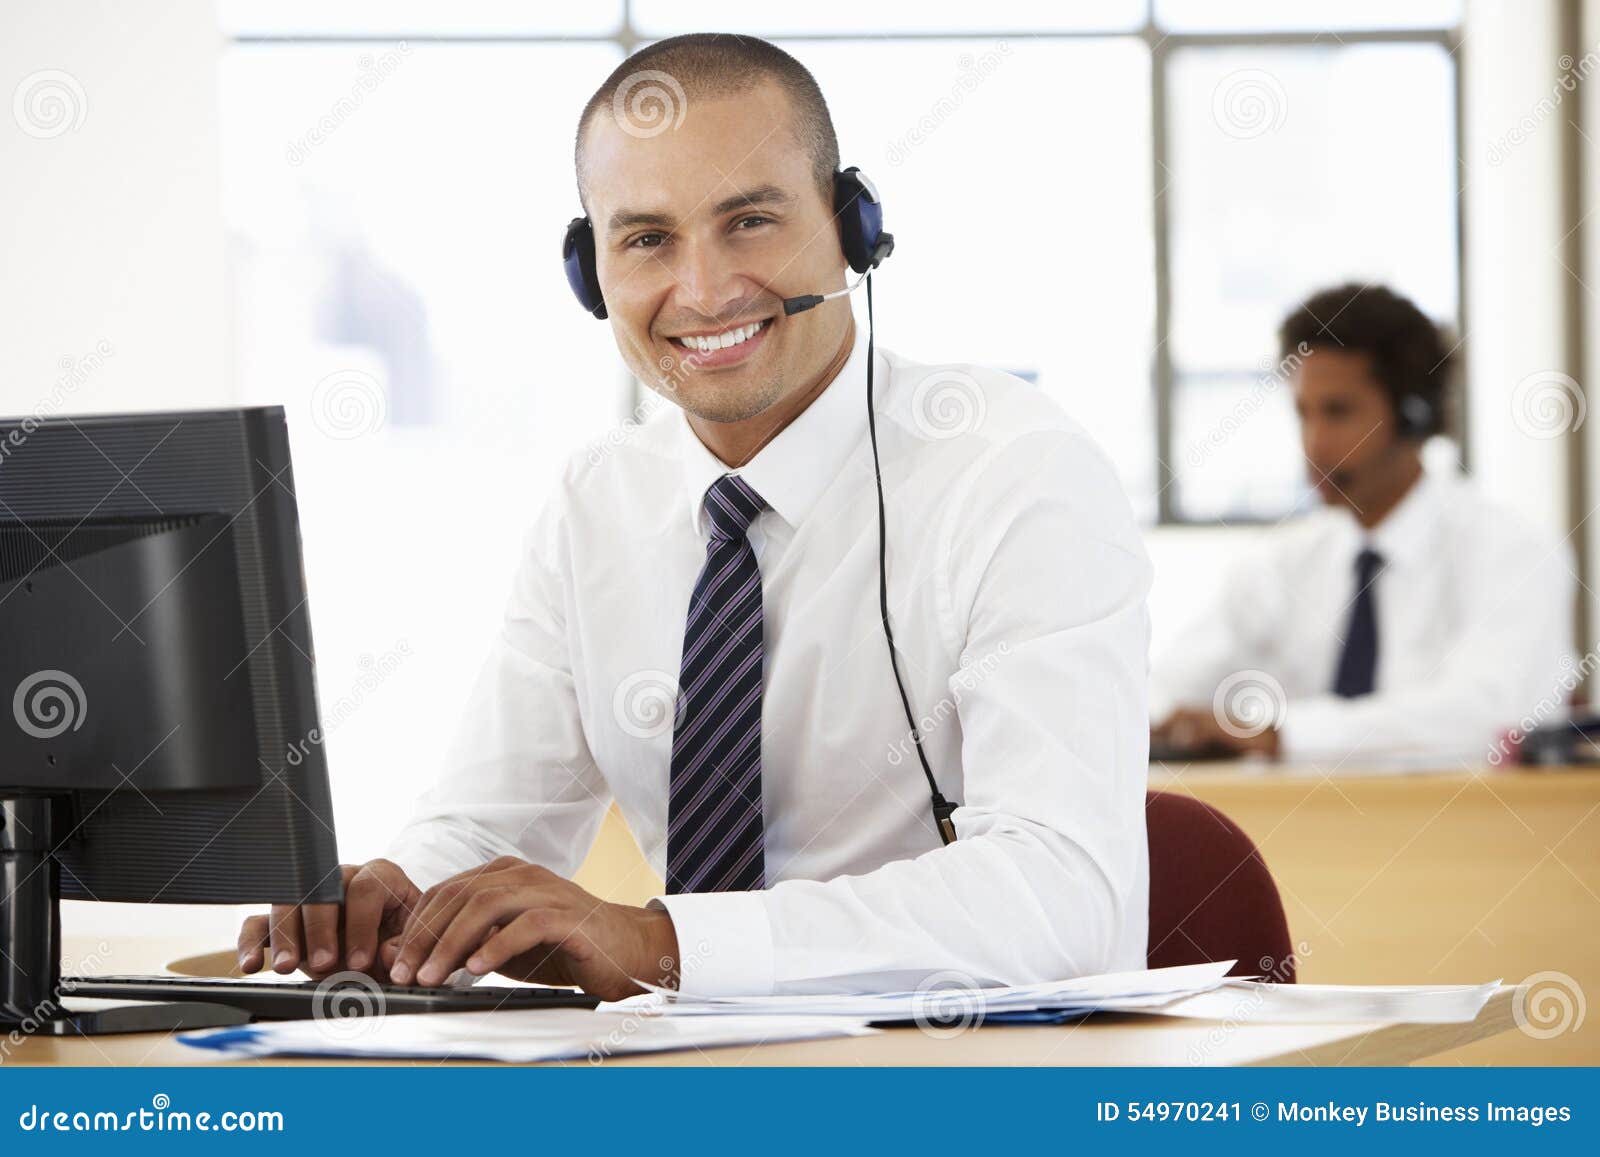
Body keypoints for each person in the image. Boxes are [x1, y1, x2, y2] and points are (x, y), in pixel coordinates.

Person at [237, 34, 1152, 999]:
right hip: (680, 1081)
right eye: (647, 239)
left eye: (751, 220)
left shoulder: (1015, 474)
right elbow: (489, 823)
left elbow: (1065, 896)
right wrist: (402, 895)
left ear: (853, 226)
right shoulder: (596, 504)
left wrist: (662, 945)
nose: (706, 290)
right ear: (590, 272)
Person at [1151, 283, 1573, 767]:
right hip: (1309, 837)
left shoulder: (1510, 552)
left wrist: (1279, 734)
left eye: (1338, 412)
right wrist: (1176, 721)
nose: (1314, 445)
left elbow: (1488, 721)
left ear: (1415, 416)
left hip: (1467, 838)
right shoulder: (1285, 562)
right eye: (1302, 413)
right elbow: (1163, 688)